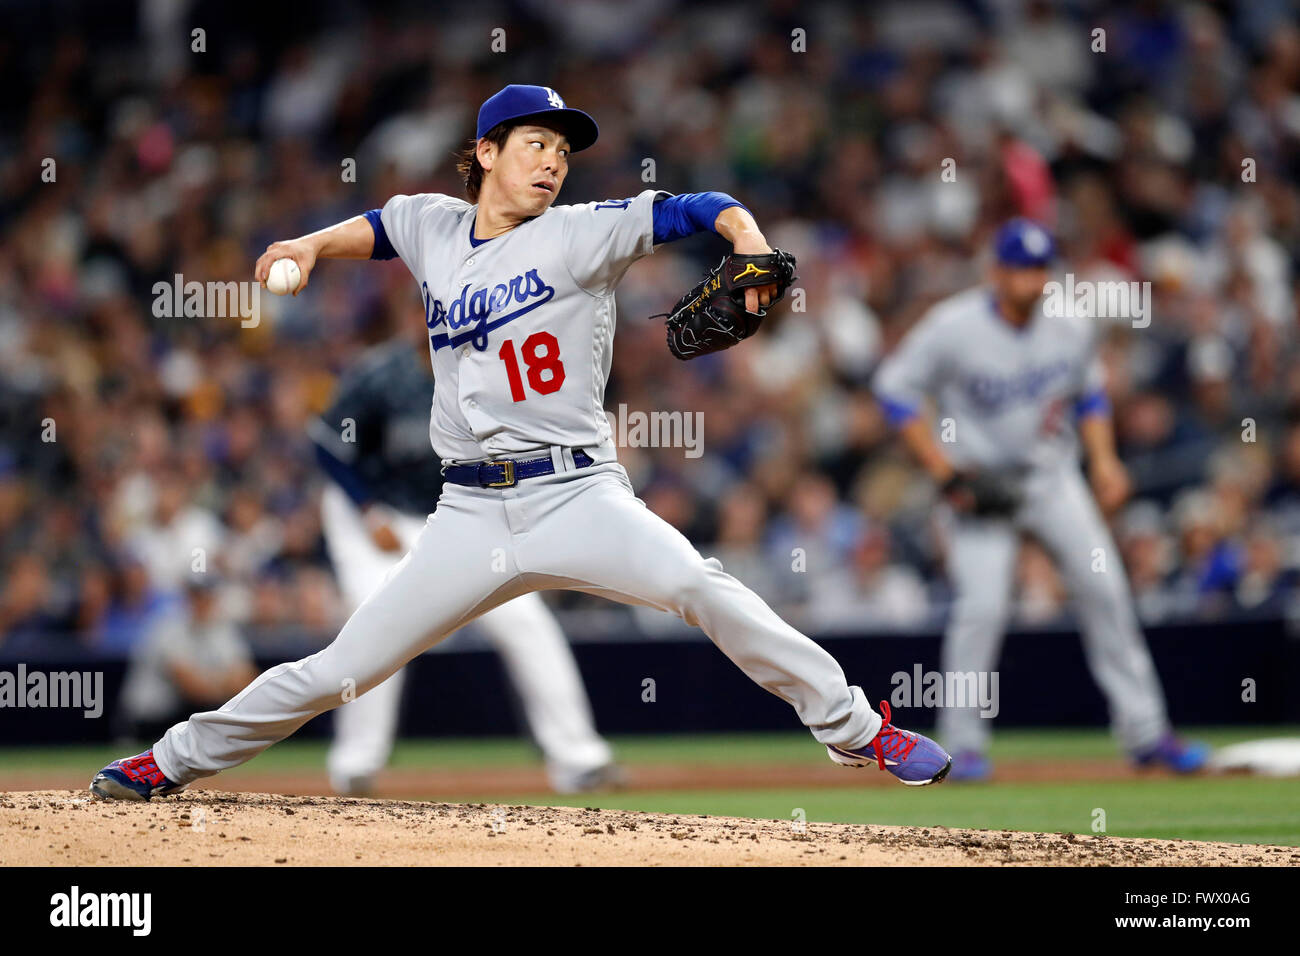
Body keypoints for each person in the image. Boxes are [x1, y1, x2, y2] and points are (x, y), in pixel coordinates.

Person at [90, 84, 950, 802]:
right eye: (536, 143)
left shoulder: (580, 232)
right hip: (468, 511)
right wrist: (310, 245)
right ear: (487, 152)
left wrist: (748, 238)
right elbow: (381, 226)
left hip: (578, 494)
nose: (552, 162)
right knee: (341, 668)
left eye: (563, 152)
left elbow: (694, 207)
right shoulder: (433, 224)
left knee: (700, 583)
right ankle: (167, 761)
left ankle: (855, 731)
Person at [872, 218, 1209, 781]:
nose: (1031, 280)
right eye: (1021, 269)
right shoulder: (953, 326)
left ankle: (1147, 735)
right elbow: (893, 390)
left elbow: (1091, 395)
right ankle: (965, 745)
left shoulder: (1070, 325)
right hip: (978, 485)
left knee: (1105, 589)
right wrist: (942, 471)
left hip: (1050, 477)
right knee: (981, 608)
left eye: (1040, 269)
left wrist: (1103, 460)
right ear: (996, 271)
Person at [311, 314, 616, 795]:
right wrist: (369, 512)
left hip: (447, 516)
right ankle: (356, 765)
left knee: (525, 621)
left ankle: (578, 759)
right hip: (372, 517)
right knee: (375, 625)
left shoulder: (486, 375)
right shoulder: (379, 375)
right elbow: (327, 445)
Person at [117, 570, 257, 745]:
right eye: (196, 595)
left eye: (206, 595)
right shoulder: (166, 625)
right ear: (186, 597)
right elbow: (192, 689)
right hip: (148, 722)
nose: (201, 602)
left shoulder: (220, 627)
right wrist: (224, 684)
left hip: (183, 720)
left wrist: (217, 684)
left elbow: (247, 680)